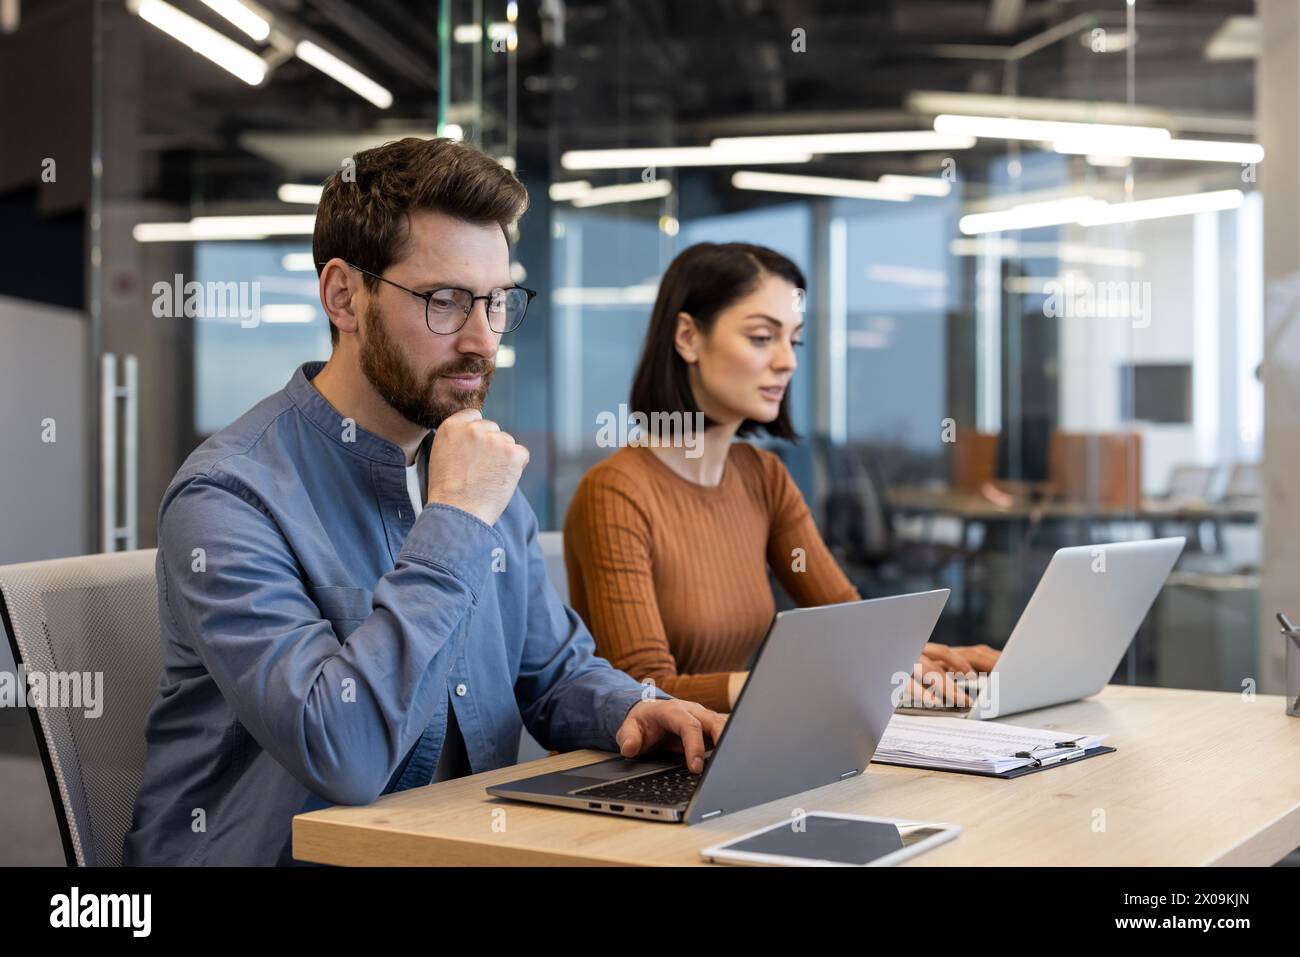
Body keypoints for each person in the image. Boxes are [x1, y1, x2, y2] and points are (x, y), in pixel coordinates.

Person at [123, 137, 723, 866]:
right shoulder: (229, 497)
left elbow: (552, 672)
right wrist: (455, 522)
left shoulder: (473, 464)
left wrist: (632, 706)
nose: (481, 340)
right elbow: (339, 752)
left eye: (498, 302)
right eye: (445, 301)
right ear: (344, 295)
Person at [564, 242, 998, 714]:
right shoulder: (615, 492)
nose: (787, 361)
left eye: (794, 340)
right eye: (761, 337)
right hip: (636, 766)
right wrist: (799, 683)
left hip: (727, 746)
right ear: (688, 337)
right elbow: (644, 691)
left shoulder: (762, 477)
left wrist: (925, 658)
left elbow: (846, 618)